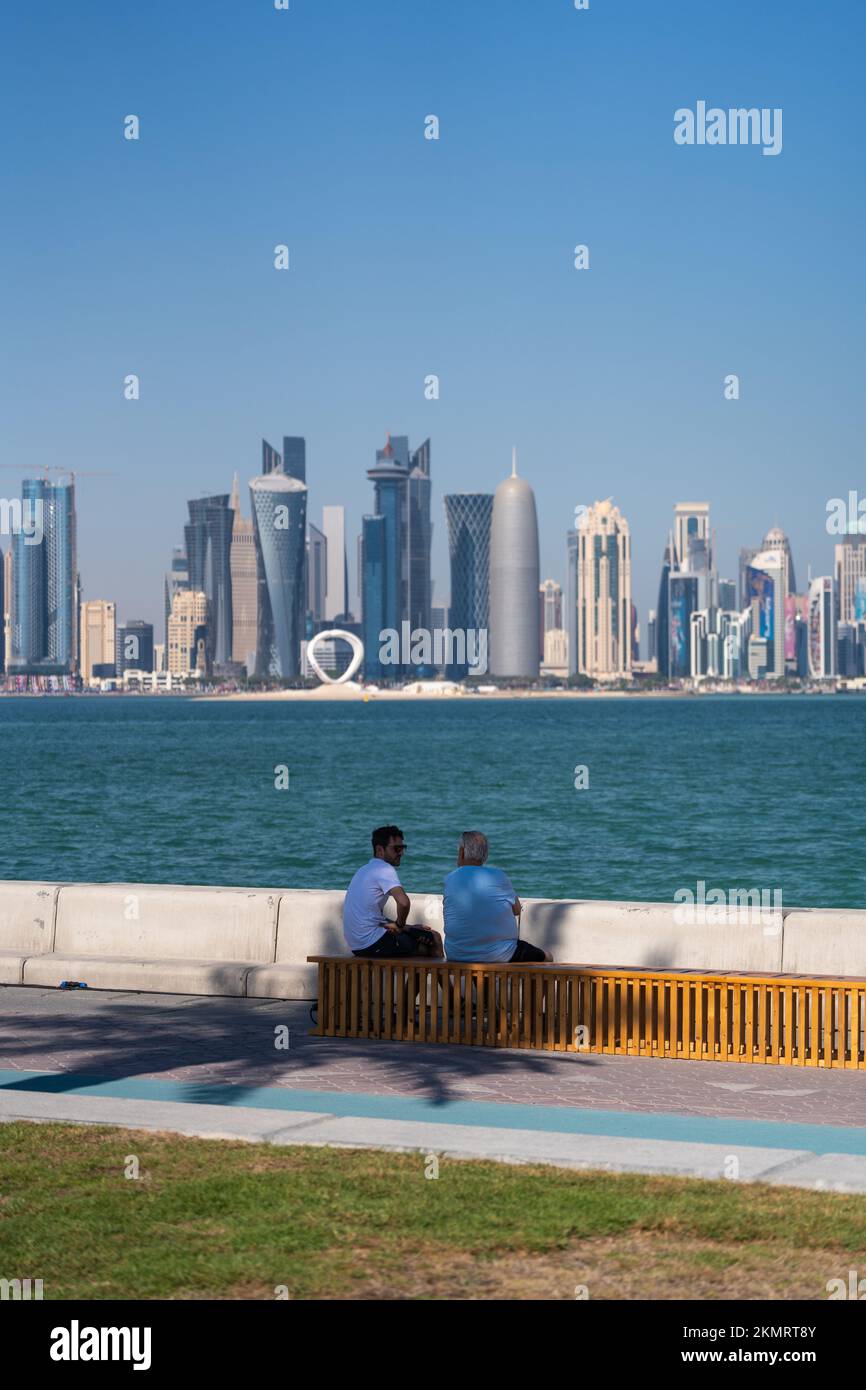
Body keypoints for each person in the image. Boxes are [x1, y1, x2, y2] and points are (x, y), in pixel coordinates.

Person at [443, 830, 551, 964]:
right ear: (485, 855)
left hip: (456, 953)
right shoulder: (498, 876)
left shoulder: (450, 879)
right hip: (500, 953)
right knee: (547, 957)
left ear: (462, 852)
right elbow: (516, 910)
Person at [343, 825, 442, 958]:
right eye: (397, 849)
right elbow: (404, 902)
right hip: (372, 943)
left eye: (403, 848)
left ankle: (419, 979)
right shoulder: (384, 869)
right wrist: (400, 925)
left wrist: (407, 927)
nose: (401, 853)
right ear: (379, 850)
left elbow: (371, 917)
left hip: (357, 944)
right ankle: (449, 980)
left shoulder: (364, 870)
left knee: (421, 943)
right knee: (434, 939)